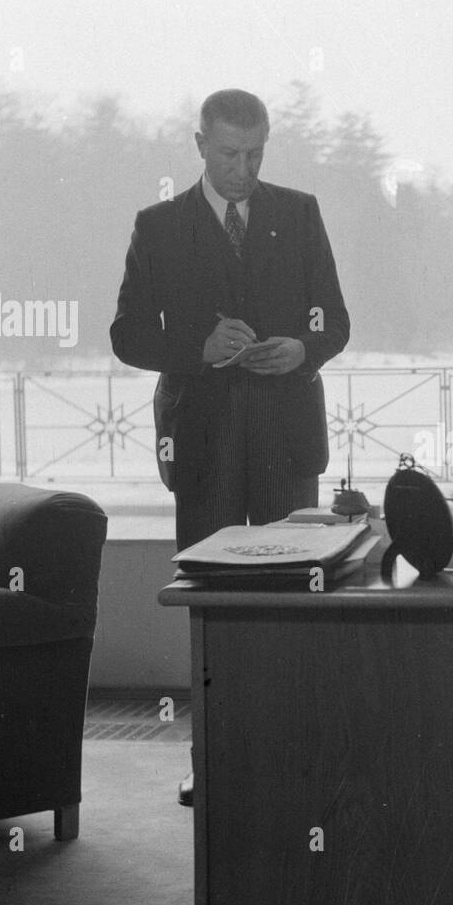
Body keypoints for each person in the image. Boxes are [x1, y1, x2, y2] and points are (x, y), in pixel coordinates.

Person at [111, 89, 350, 803]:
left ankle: (299, 753)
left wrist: (300, 347)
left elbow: (334, 321)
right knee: (213, 601)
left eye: (255, 154)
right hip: (203, 438)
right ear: (198, 145)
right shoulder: (157, 226)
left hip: (287, 432)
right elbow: (126, 336)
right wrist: (198, 346)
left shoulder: (300, 212)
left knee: (293, 596)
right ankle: (212, 759)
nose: (243, 169)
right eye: (228, 155)